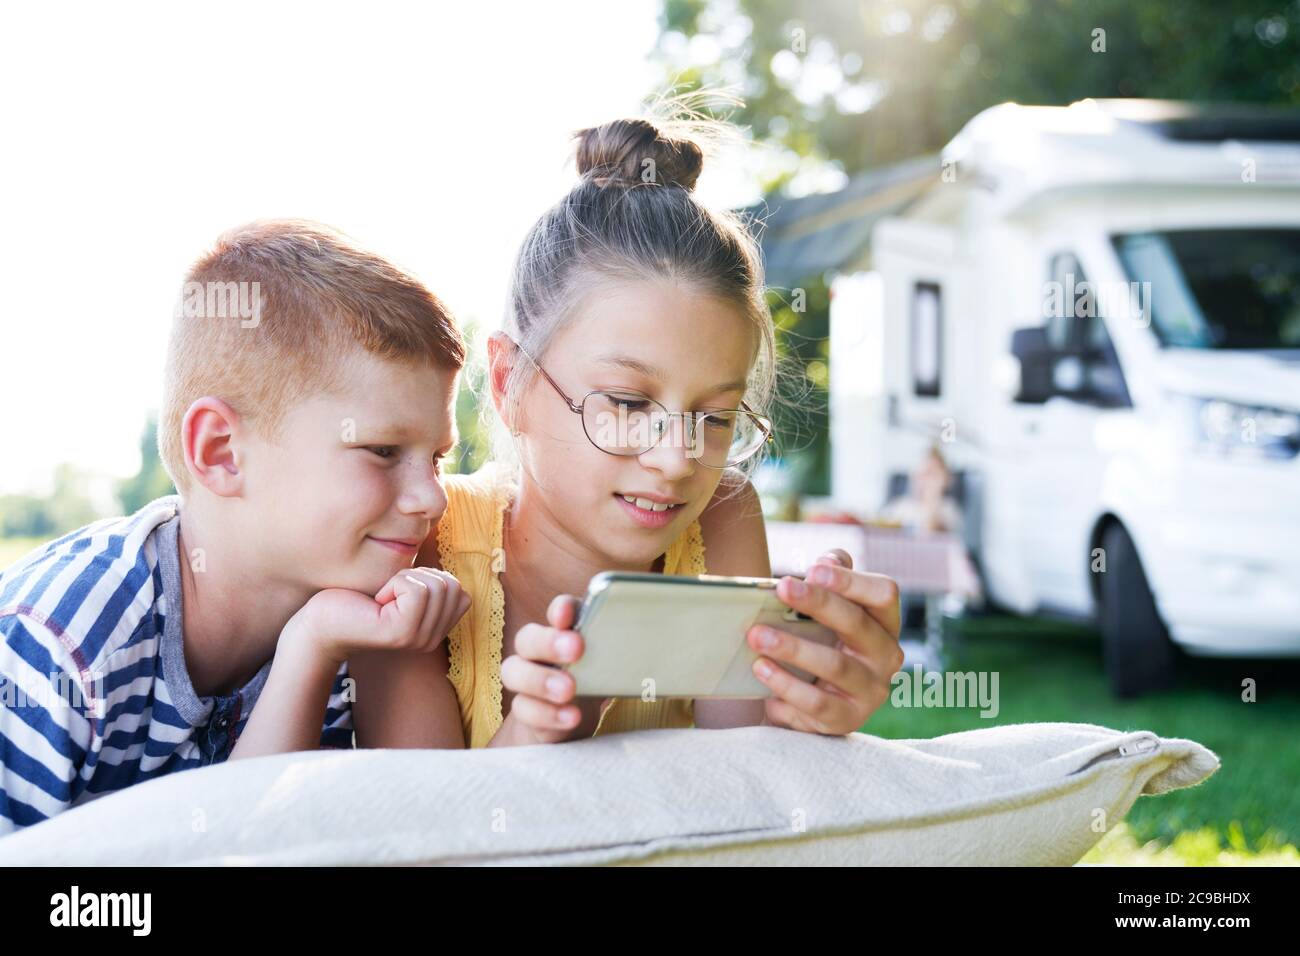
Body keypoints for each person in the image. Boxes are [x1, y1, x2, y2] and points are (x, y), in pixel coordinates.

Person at [350, 106, 906, 749]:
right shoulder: (421, 548)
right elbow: (422, 828)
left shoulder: (721, 517)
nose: (677, 459)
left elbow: (742, 789)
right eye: (628, 403)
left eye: (716, 416)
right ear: (509, 384)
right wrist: (537, 732)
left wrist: (806, 714)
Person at [0, 220, 469, 833]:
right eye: (382, 450)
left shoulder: (356, 616)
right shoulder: (58, 645)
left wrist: (316, 646)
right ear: (221, 451)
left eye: (436, 458)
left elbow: (435, 839)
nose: (432, 496)